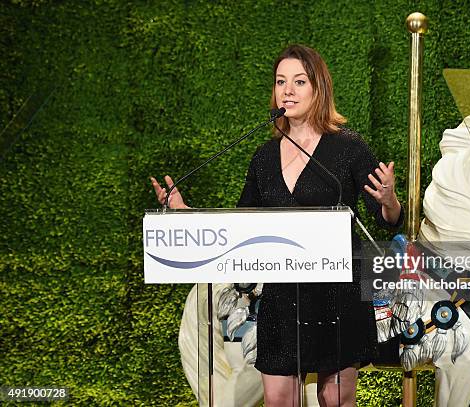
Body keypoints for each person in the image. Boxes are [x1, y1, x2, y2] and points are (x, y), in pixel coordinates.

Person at [151, 44, 403, 407]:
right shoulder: (264, 157)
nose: (288, 90)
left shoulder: (348, 148)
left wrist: (388, 200)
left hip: (338, 293)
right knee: (278, 398)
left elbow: (387, 221)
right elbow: (241, 225)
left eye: (299, 81)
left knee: (336, 399)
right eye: (281, 81)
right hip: (284, 297)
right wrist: (183, 210)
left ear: (318, 88)